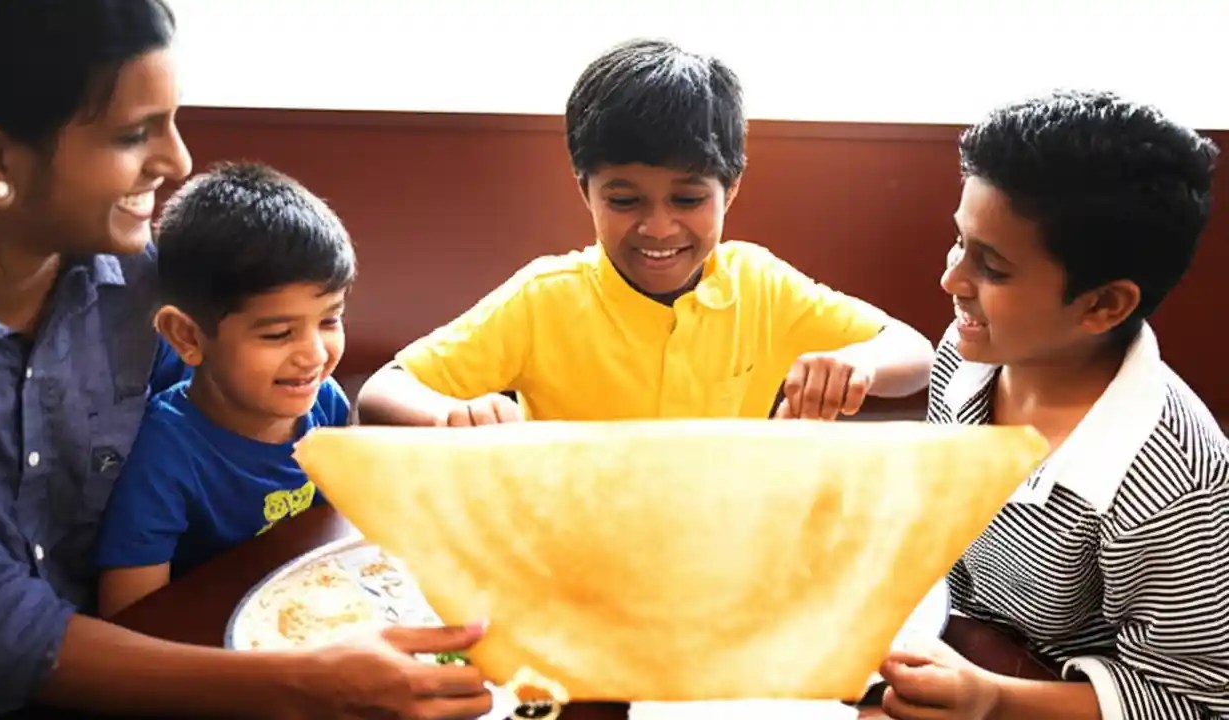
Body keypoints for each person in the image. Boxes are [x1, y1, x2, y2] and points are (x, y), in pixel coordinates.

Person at [0, 3, 490, 718]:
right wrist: (306, 681)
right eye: (134, 133)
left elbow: (227, 400)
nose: (177, 160)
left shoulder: (141, 284)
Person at [357, 38, 934, 427]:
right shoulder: (544, 298)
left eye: (687, 199)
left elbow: (914, 352)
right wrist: (452, 418)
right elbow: (382, 392)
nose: (658, 227)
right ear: (585, 190)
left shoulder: (761, 285)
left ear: (730, 190)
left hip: (718, 542)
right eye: (624, 199)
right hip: (573, 546)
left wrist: (860, 367)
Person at [878, 90, 1228, 720]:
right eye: (960, 243)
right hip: (944, 643)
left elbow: (1196, 703)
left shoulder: (1181, 485)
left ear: (1103, 305)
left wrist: (995, 699)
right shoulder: (966, 358)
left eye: (992, 267)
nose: (951, 280)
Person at [95, 162, 355, 618]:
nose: (313, 354)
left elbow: (335, 536)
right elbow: (131, 617)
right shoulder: (163, 457)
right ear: (188, 339)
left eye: (329, 320)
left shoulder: (327, 402)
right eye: (278, 334)